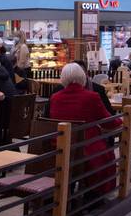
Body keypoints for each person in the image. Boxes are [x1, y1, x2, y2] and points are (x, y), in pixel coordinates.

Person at [47, 63, 117, 202]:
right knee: (106, 153)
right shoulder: (91, 96)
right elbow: (109, 122)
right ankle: (93, 196)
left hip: (59, 146)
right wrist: (121, 121)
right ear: (83, 76)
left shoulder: (55, 97)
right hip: (86, 147)